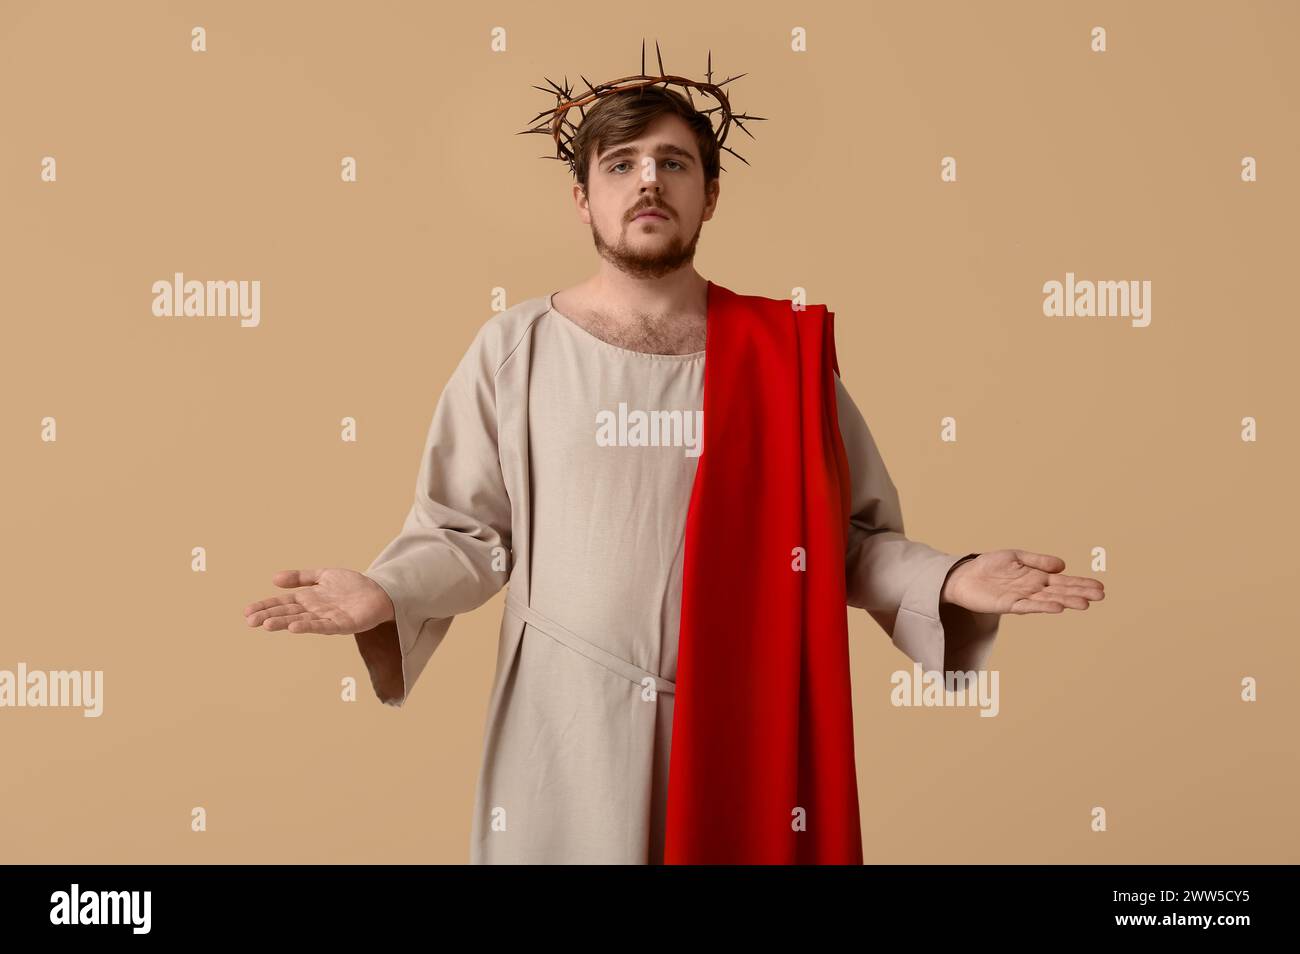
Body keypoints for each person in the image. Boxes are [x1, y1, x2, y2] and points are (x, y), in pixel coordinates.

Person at [242, 78, 1104, 864]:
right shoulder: (516, 349)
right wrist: (387, 592)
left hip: (742, 718)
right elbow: (468, 538)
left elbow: (845, 543)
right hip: (566, 722)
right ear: (583, 199)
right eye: (621, 164)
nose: (648, 181)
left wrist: (952, 578)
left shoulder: (782, 356)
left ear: (710, 195)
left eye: (673, 162)